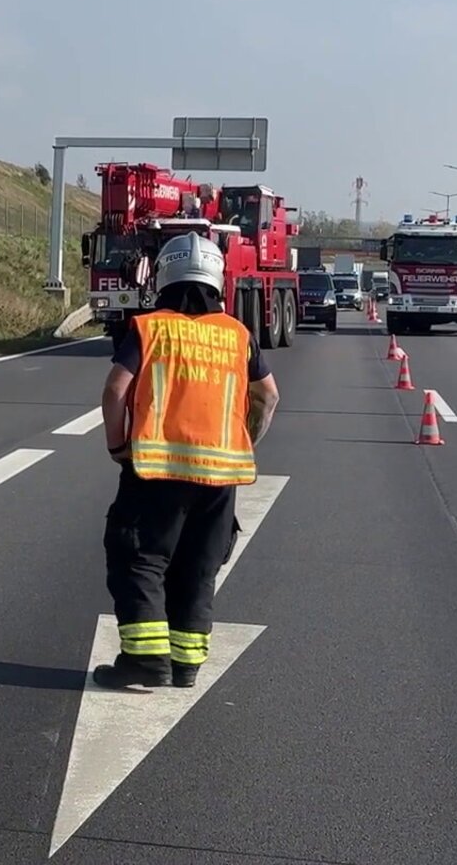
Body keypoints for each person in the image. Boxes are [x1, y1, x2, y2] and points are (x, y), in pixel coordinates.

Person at [92, 233, 278, 690]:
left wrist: (117, 446)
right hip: (221, 476)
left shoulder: (148, 328)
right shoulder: (238, 335)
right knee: (199, 566)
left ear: (163, 276)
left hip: (157, 469)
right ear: (217, 278)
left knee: (141, 559)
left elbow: (116, 390)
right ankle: (186, 664)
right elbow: (268, 396)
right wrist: (243, 441)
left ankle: (145, 660)